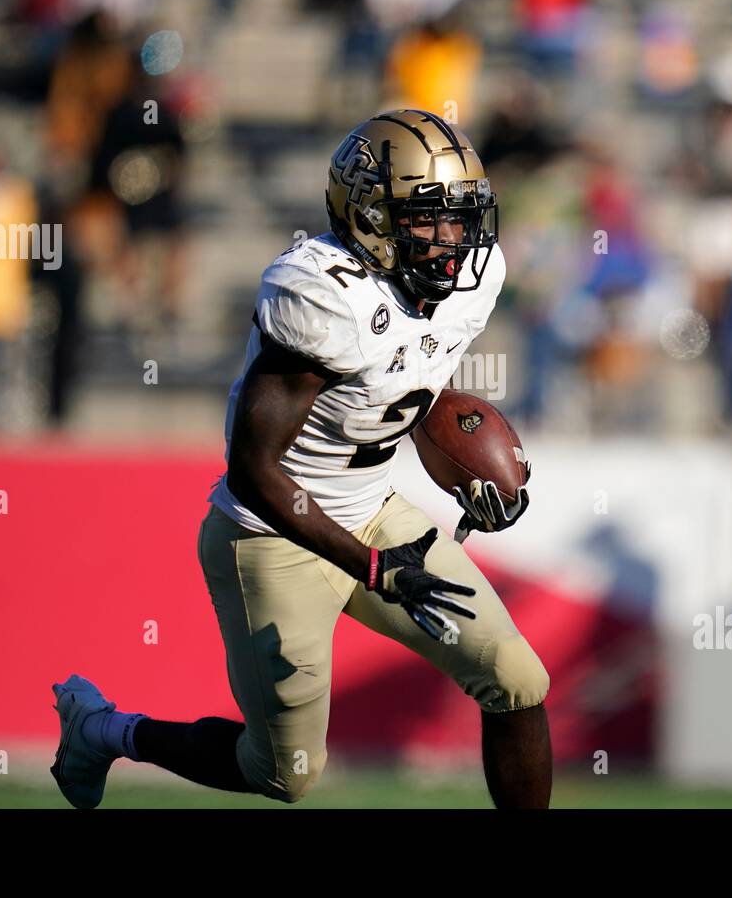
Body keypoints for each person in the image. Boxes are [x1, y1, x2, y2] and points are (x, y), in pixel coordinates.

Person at [51, 110, 553, 808]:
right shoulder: (322, 296)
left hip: (375, 513)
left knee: (516, 678)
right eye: (429, 219)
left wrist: (471, 467)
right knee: (284, 773)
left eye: (460, 218)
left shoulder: (472, 280)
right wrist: (372, 567)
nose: (451, 240)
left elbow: (408, 382)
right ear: (373, 217)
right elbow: (253, 469)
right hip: (272, 537)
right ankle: (104, 731)